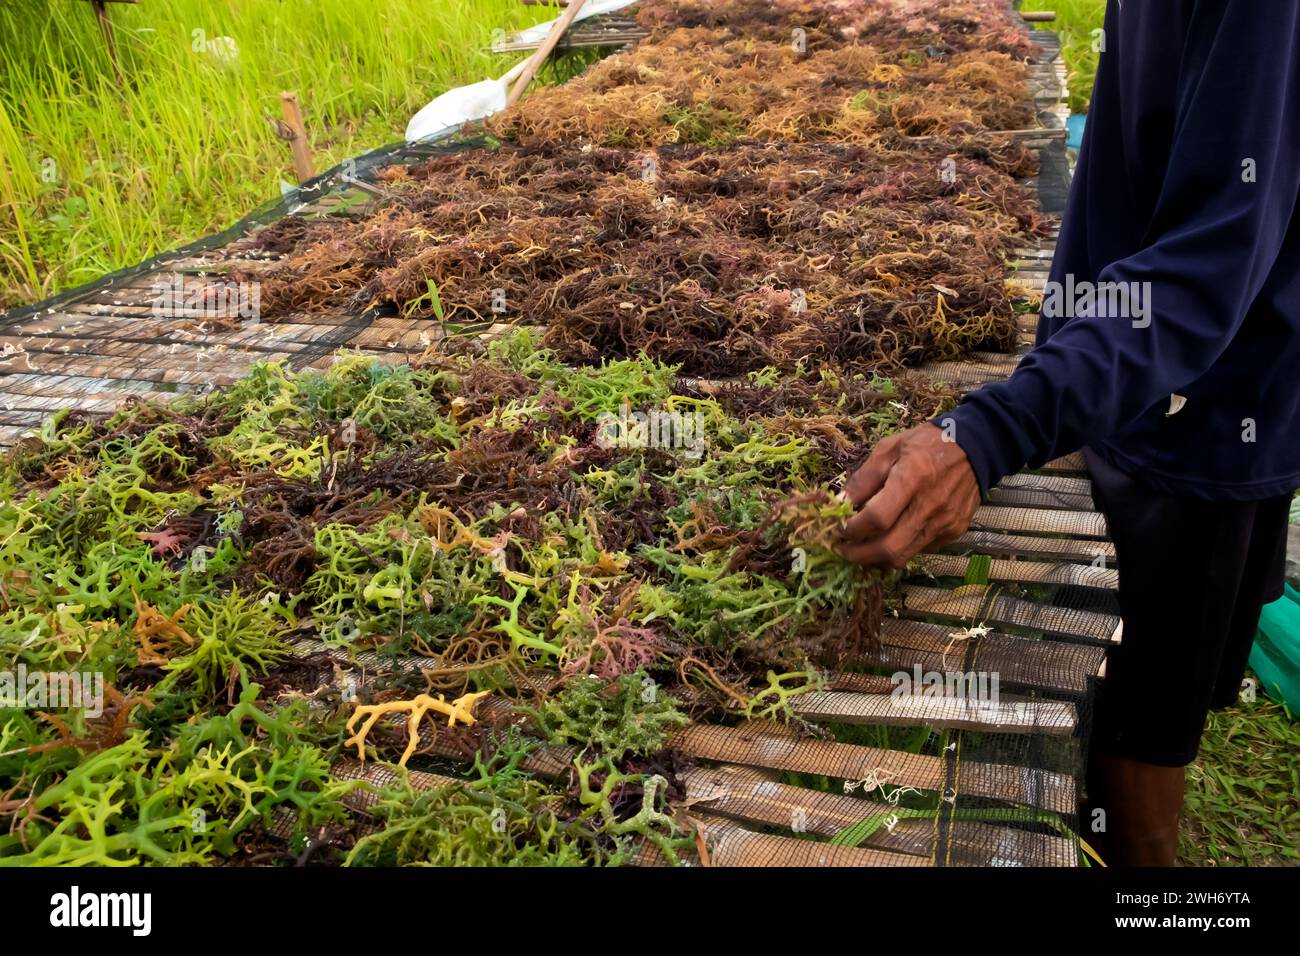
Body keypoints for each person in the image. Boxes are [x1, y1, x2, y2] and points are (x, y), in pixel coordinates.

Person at [839, 0, 1300, 866]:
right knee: (1125, 645)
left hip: (1212, 400)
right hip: (1116, 367)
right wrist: (1061, 365)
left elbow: (1218, 253)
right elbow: (1133, 164)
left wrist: (998, 428)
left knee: (1157, 717)